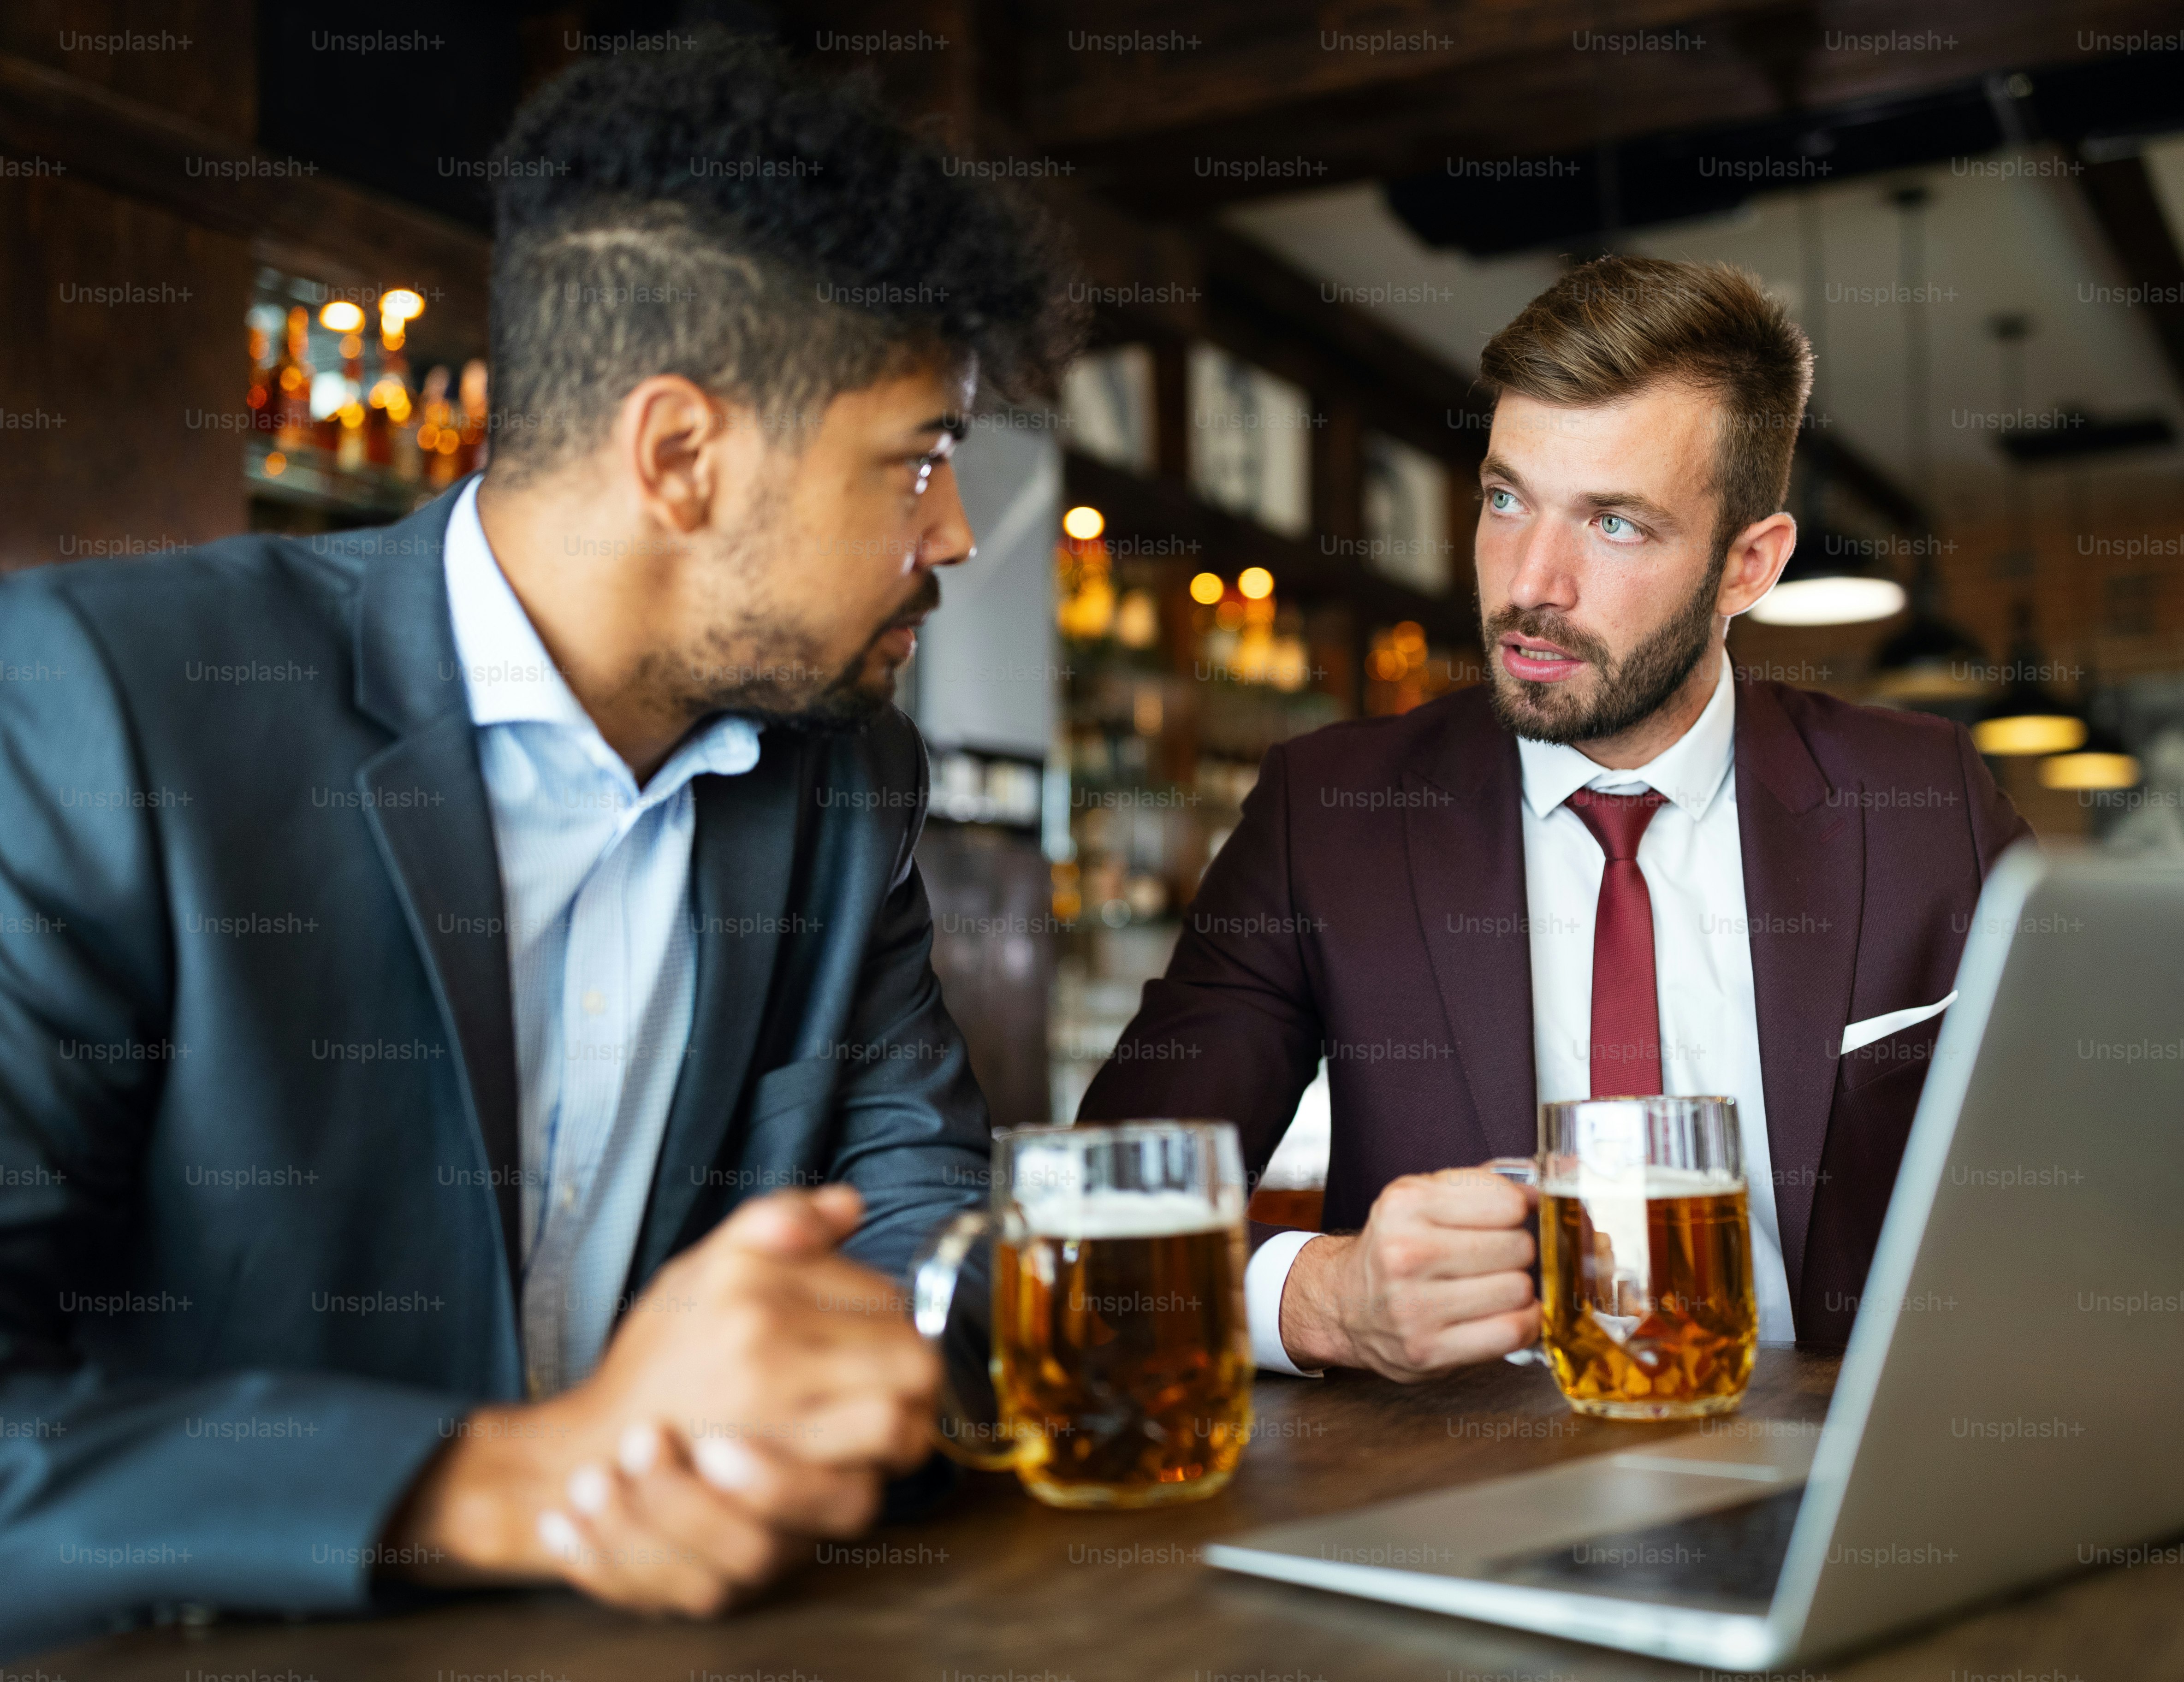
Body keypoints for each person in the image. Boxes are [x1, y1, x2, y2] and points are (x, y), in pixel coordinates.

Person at [0, 37, 1076, 1655]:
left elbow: (935, 1223)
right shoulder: (107, 707)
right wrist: (498, 1479)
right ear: (678, 455)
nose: (952, 536)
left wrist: (848, 1368)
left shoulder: (839, 780)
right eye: (917, 458)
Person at [1080, 255, 2028, 1380]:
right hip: (1457, 1491)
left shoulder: (1922, 804)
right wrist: (1323, 1305)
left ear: (1748, 565)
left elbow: (2104, 1180)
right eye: (1504, 498)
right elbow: (1101, 1216)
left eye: (1615, 525)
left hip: (1833, 1471)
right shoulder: (1327, 817)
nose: (1532, 582)